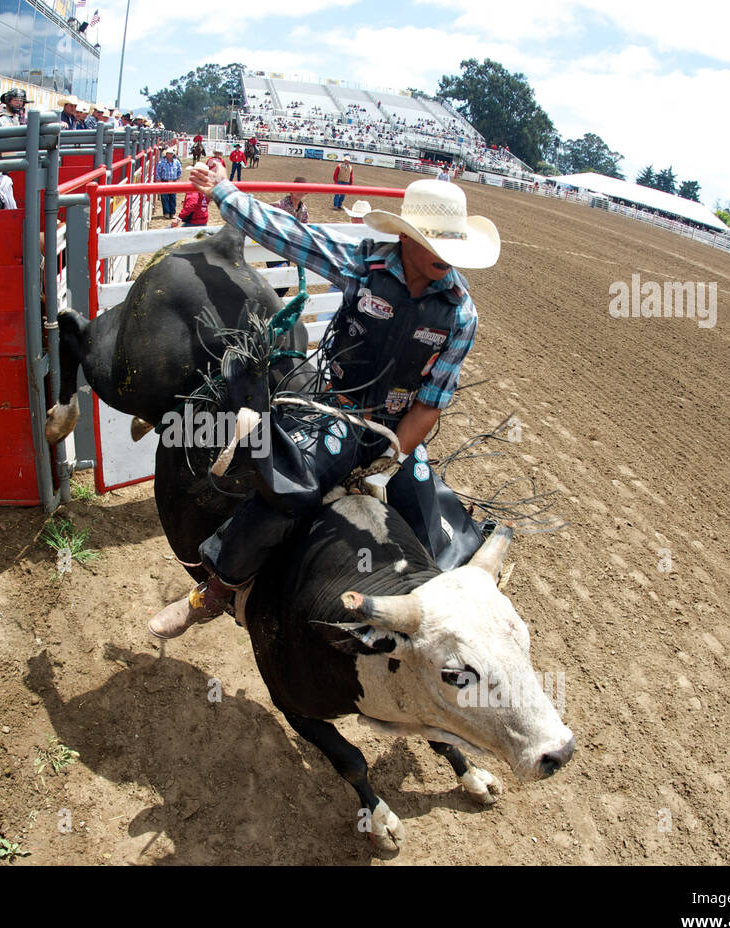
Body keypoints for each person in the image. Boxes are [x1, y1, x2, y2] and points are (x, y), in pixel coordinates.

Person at [148, 162, 499, 638]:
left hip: (397, 436)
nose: (446, 258)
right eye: (437, 245)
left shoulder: (460, 312)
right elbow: (286, 234)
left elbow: (430, 403)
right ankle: (213, 591)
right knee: (289, 492)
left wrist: (391, 460)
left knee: (429, 527)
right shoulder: (363, 261)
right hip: (336, 414)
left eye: (451, 247)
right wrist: (224, 192)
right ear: (408, 239)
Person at [155, 145, 182, 218]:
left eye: (171, 154)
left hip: (173, 181)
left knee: (173, 197)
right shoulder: (161, 162)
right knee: (164, 198)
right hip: (164, 181)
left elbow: (179, 170)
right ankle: (166, 213)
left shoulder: (176, 162)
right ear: (166, 154)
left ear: (173, 154)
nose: (170, 155)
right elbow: (158, 172)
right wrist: (159, 180)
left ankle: (172, 213)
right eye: (168, 153)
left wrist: (178, 179)